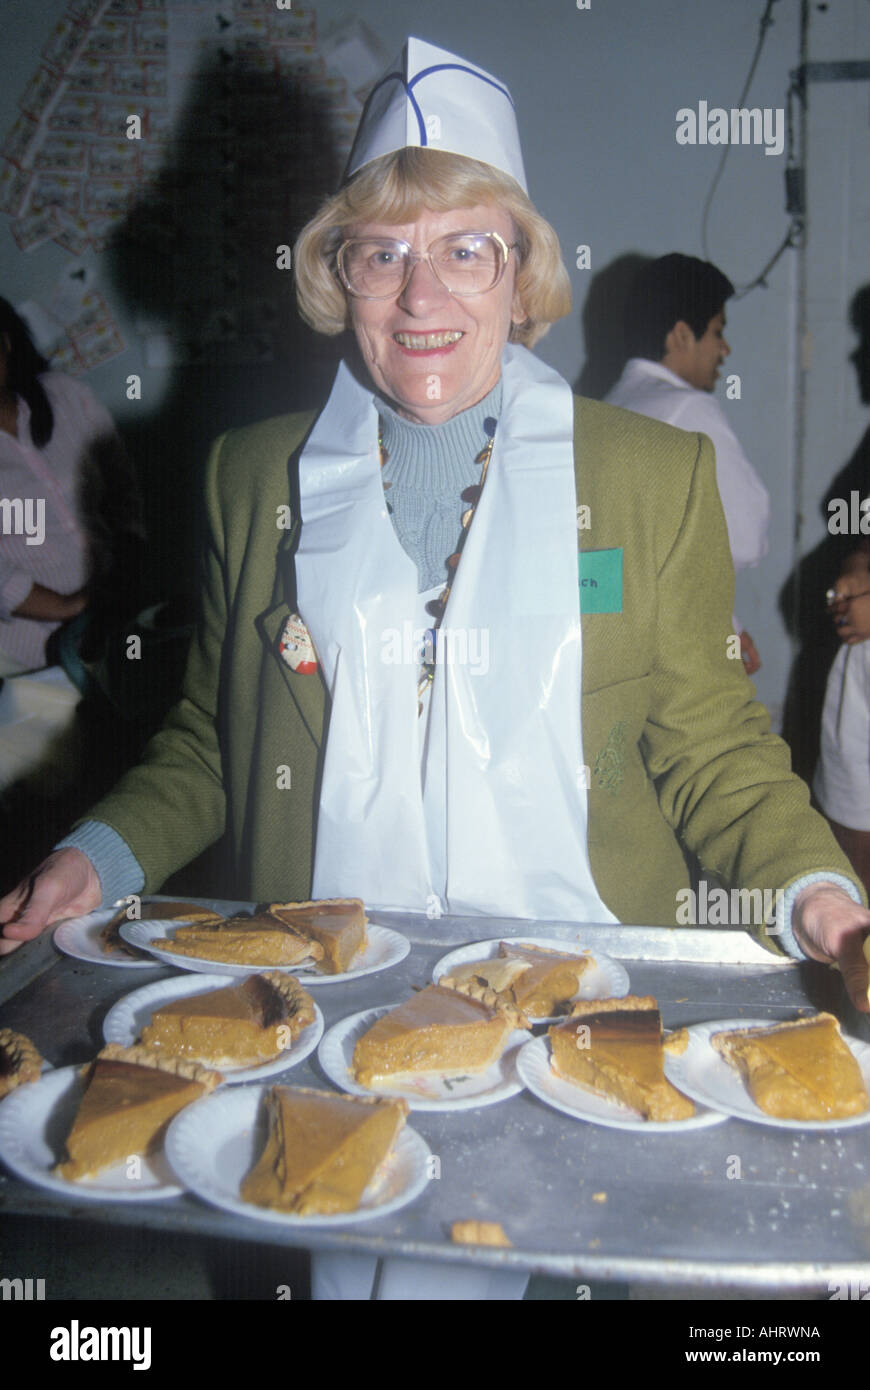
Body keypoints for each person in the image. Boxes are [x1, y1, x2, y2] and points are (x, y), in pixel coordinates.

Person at [1, 37, 869, 1297]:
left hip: (581, 1020)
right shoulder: (251, 477)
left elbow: (714, 748)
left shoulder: (649, 478)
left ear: (521, 273)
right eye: (382, 253)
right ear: (336, 274)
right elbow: (212, 739)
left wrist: (821, 893)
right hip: (329, 1018)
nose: (422, 297)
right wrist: (101, 855)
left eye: (467, 249)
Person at [606, 253, 770, 675]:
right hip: (680, 646)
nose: (724, 349)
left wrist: (731, 624)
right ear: (681, 335)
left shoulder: (604, 408)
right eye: (717, 332)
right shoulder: (688, 409)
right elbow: (745, 537)